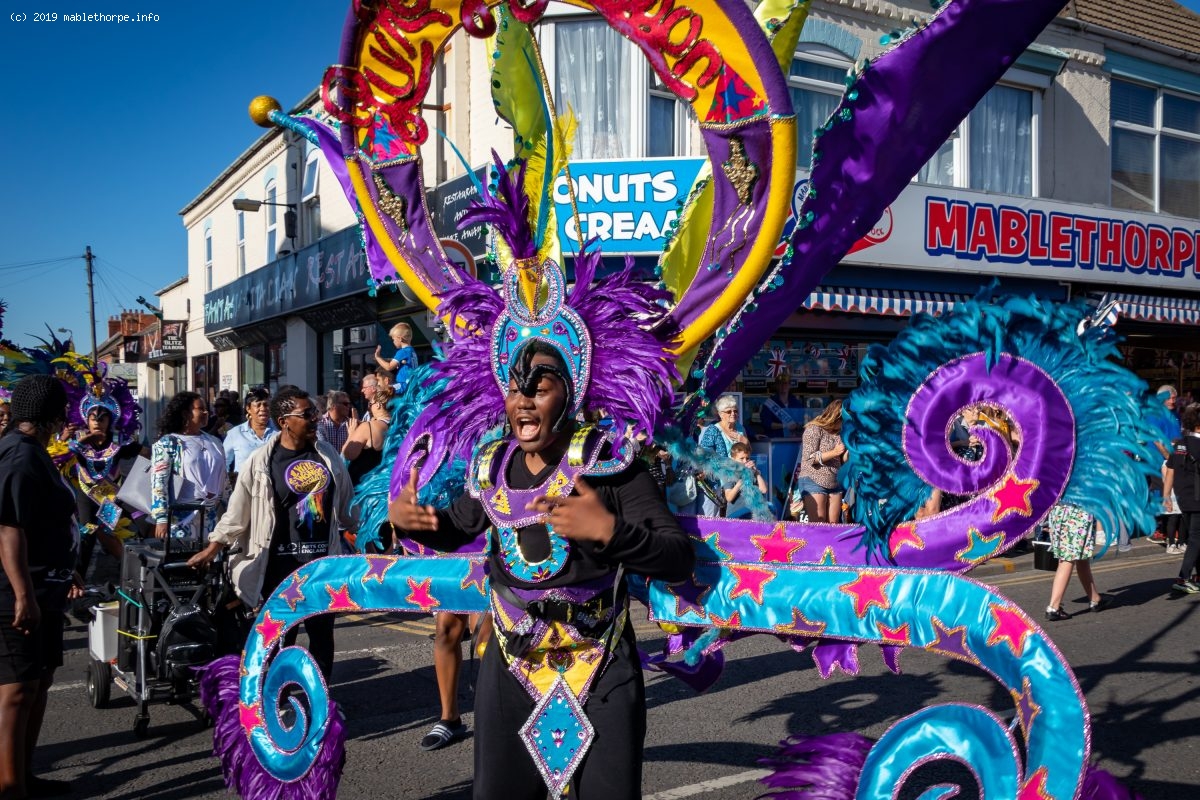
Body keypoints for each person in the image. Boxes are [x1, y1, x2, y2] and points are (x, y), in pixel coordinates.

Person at [388, 341, 693, 798]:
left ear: (570, 394)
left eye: (539, 390)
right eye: (513, 390)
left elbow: (677, 557)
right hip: (511, 663)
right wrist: (419, 524)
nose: (523, 400)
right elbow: (458, 526)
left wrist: (610, 532)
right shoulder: (492, 466)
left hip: (600, 663)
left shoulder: (608, 464)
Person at [188, 387, 356, 681]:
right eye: (307, 414)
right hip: (279, 567)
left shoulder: (327, 454)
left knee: (322, 640)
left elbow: (348, 507)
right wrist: (213, 547)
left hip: (321, 565)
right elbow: (237, 513)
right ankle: (276, 700)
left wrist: (374, 528)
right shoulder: (260, 461)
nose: (315, 419)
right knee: (280, 641)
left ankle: (320, 701)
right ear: (284, 421)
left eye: (315, 413)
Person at [0, 375, 82, 799]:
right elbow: (9, 528)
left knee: (41, 680)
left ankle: (24, 776)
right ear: (51, 414)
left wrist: (69, 568)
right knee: (17, 689)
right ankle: (9, 786)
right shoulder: (18, 455)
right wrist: (22, 595)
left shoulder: (35, 452)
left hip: (46, 588)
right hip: (18, 594)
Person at [151, 392, 227, 541]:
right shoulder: (168, 443)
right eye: (201, 409)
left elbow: (224, 481)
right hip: (180, 518)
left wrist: (232, 508)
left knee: (210, 561)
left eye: (207, 409)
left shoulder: (215, 442)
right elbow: (159, 483)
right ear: (186, 413)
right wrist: (161, 518)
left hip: (210, 517)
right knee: (183, 561)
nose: (206, 412)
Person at [1043, 503, 1110, 620]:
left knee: (1081, 558)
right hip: (1076, 513)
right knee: (1067, 560)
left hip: (1059, 511)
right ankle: (1053, 608)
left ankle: (1095, 599)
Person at [1164, 402, 1200, 594]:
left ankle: (1197, 576)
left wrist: (1166, 496)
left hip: (1182, 497)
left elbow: (1170, 470)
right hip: (1197, 498)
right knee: (1195, 539)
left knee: (1196, 537)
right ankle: (1183, 577)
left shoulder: (1179, 444)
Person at [794, 399, 847, 523]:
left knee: (834, 525)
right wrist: (834, 452)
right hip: (813, 481)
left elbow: (842, 460)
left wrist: (849, 451)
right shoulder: (814, 429)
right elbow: (809, 458)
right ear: (835, 417)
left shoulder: (840, 433)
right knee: (819, 524)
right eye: (843, 421)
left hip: (834, 482)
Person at [697, 393, 749, 516]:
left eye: (735, 411)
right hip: (716, 482)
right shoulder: (713, 430)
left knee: (735, 515)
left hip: (737, 480)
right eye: (728, 411)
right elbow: (704, 456)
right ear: (720, 414)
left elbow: (748, 452)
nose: (733, 414)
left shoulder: (741, 429)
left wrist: (745, 441)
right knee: (712, 517)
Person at [342, 382, 393, 487]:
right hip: (387, 484)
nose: (369, 408)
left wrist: (351, 434)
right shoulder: (399, 425)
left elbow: (348, 454)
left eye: (370, 404)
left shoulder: (368, 427)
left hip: (364, 488)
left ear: (378, 404)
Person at [223, 387, 277, 483]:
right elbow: (224, 463)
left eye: (266, 405)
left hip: (274, 487)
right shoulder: (235, 433)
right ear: (248, 408)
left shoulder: (279, 431)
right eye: (258, 405)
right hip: (244, 488)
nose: (263, 408)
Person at [724, 441, 769, 520]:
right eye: (741, 459)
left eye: (747, 458)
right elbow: (729, 497)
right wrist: (740, 482)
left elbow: (764, 490)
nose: (745, 461)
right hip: (735, 516)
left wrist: (756, 473)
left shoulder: (753, 473)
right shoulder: (729, 474)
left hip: (750, 515)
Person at [374, 322, 419, 394]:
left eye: (393, 339)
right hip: (412, 385)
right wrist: (384, 359)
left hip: (403, 385)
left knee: (384, 390)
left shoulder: (402, 352)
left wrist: (378, 357)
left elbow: (389, 367)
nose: (393, 342)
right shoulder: (412, 351)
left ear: (400, 339)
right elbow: (399, 361)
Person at [758, 373, 805, 439]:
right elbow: (767, 424)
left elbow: (802, 421)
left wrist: (798, 426)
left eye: (785, 383)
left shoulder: (796, 402)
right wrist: (785, 425)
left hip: (794, 440)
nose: (783, 386)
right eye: (780, 383)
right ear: (776, 385)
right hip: (776, 440)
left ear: (789, 385)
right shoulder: (769, 403)